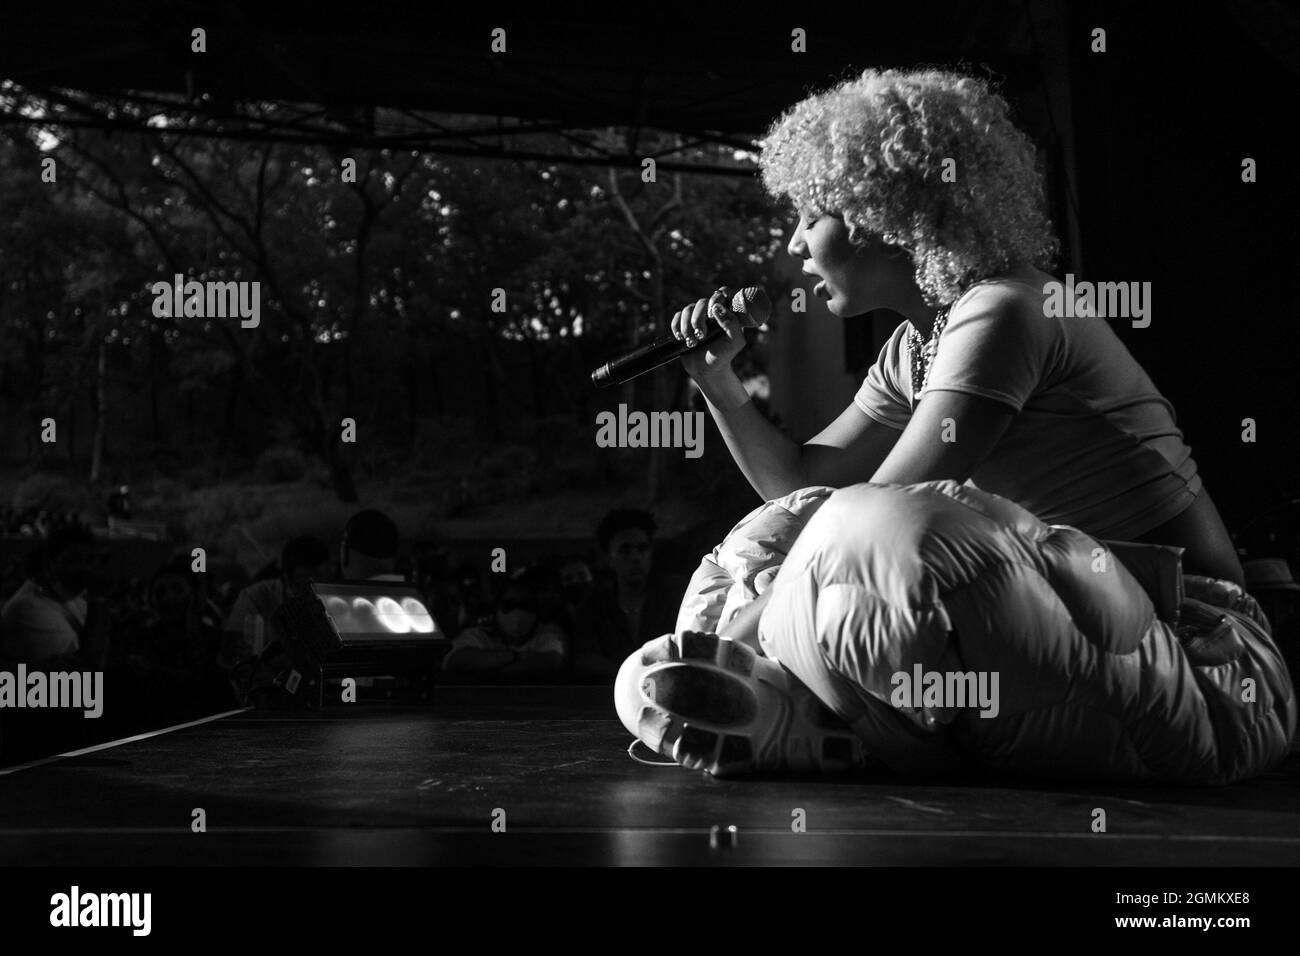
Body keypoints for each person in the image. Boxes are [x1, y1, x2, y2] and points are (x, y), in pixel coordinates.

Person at [671, 67, 1242, 593]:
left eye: (812, 217)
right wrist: (716, 379)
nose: (796, 245)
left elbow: (860, 525)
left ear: (886, 214)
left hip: (1190, 624)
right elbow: (800, 484)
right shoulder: (915, 347)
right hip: (1080, 617)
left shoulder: (1003, 310)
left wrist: (737, 636)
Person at [572, 509, 685, 679]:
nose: (635, 557)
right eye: (624, 550)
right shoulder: (593, 608)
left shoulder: (674, 601)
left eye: (642, 548)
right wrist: (632, 676)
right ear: (609, 558)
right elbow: (585, 658)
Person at [0, 524, 110, 668]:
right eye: (73, 560)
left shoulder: (68, 595)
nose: (83, 568)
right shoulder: (28, 609)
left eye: (89, 561)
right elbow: (87, 671)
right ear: (49, 563)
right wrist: (98, 599)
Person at [442, 569, 566, 675]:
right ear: (496, 608)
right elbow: (456, 659)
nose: (517, 612)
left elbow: (552, 660)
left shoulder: (548, 632)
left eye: (524, 605)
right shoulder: (478, 635)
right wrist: (517, 656)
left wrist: (493, 670)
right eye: (509, 605)